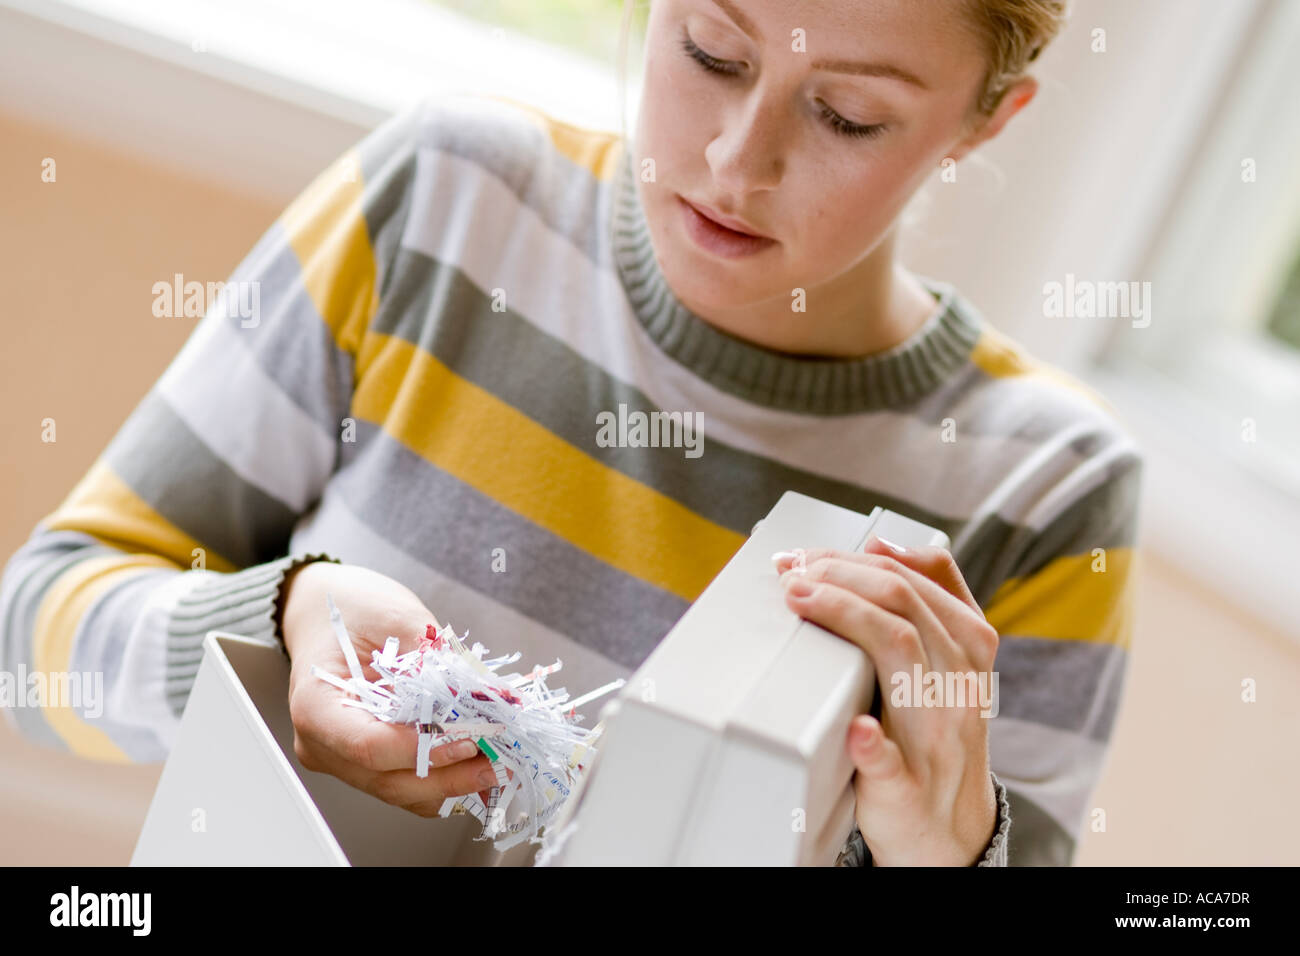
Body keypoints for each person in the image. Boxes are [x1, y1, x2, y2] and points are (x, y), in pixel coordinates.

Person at [0, 0, 1143, 866]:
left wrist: (948, 852)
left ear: (986, 119)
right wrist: (274, 623)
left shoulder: (1044, 488)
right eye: (710, 51)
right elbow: (29, 644)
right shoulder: (447, 201)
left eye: (849, 115)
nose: (735, 163)